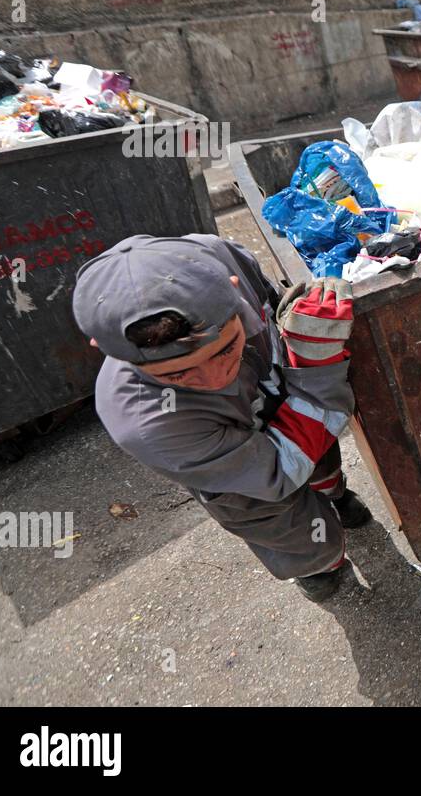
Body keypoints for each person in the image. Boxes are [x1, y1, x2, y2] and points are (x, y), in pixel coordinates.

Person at [71, 234, 369, 602]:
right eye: (176, 375)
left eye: (226, 348)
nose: (216, 378)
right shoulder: (144, 422)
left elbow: (271, 300)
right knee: (301, 539)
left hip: (292, 409)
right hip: (250, 485)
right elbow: (278, 473)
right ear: (108, 352)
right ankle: (321, 567)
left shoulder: (219, 255)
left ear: (233, 288)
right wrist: (317, 368)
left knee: (323, 467)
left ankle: (335, 495)